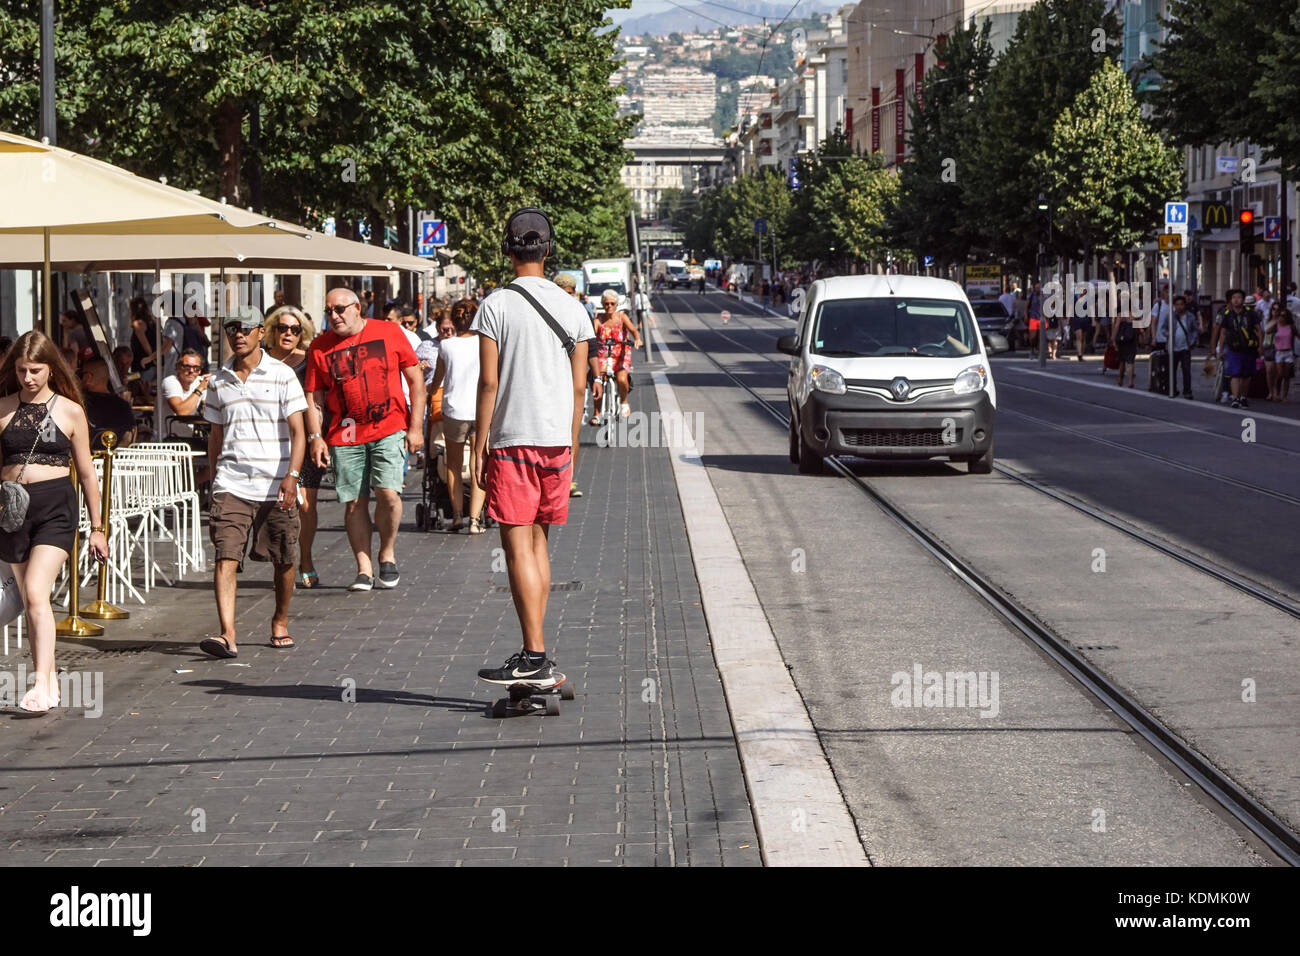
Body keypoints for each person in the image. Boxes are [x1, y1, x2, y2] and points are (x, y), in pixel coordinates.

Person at [471, 207, 593, 688]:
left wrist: (481, 442)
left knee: (518, 545)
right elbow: (580, 389)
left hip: (514, 439)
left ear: (507, 249)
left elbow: (487, 383)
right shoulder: (574, 309)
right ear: (548, 249)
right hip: (557, 441)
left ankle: (535, 655)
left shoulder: (496, 306)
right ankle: (537, 651)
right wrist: (575, 438)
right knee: (539, 544)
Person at [0, 331, 109, 713]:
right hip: (13, 509)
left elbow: (88, 471)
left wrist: (98, 528)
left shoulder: (69, 410)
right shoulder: (3, 408)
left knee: (34, 590)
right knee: (32, 601)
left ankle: (42, 683)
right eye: (20, 370)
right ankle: (47, 677)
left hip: (56, 507)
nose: (27, 377)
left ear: (50, 369)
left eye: (34, 370)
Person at [199, 307, 307, 657]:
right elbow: (216, 435)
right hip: (232, 484)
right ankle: (227, 633)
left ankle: (280, 619)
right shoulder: (218, 380)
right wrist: (215, 479)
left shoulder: (282, 375)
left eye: (245, 329)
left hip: (276, 482)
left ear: (262, 332)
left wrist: (292, 477)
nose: (238, 335)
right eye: (232, 329)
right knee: (225, 555)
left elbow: (298, 431)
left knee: (285, 557)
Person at [305, 288, 424, 592]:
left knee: (388, 494)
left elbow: (416, 382)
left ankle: (387, 552)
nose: (334, 316)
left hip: (389, 426)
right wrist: (316, 436)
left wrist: (415, 428)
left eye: (340, 309)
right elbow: (314, 397)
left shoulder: (389, 332)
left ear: (358, 307)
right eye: (328, 311)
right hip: (345, 433)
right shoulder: (320, 347)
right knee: (354, 501)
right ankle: (364, 567)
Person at [264, 307, 327, 587]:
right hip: (270, 440)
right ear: (272, 330)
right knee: (277, 504)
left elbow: (316, 398)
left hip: (304, 437)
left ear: (302, 333)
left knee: (306, 504)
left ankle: (306, 558)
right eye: (282, 328)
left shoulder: (308, 360)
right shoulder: (261, 360)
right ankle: (283, 559)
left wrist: (317, 436)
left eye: (294, 329)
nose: (288, 333)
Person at [430, 299, 486, 533]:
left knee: (453, 465)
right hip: (480, 409)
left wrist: (430, 394)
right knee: (479, 463)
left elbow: (438, 380)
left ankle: (457, 517)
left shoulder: (446, 346)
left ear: (453, 320)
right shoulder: (485, 343)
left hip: (454, 410)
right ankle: (475, 520)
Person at [554, 274, 599, 498]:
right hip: (553, 382)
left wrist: (597, 377)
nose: (566, 297)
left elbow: (591, 348)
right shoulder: (548, 310)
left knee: (572, 432)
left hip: (573, 384)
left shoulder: (580, 312)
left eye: (570, 293)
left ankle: (568, 478)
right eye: (562, 292)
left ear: (575, 293)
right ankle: (556, 477)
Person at [591, 290, 642, 422]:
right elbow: (591, 334)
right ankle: (596, 413)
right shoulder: (598, 320)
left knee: (621, 378)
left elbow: (634, 330)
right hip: (603, 355)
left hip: (620, 354)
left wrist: (637, 339)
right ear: (602, 304)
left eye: (612, 303)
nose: (609, 306)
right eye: (606, 303)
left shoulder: (621, 317)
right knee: (598, 381)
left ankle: (624, 402)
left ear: (616, 304)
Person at [1208, 289, 1261, 409]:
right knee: (1235, 374)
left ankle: (1243, 397)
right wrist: (1219, 349)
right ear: (1230, 300)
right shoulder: (1227, 314)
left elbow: (1259, 330)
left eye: (1239, 297)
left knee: (1246, 375)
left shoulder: (1251, 313)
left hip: (1249, 347)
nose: (1236, 300)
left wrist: (1260, 346)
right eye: (1234, 298)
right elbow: (1222, 333)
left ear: (1243, 300)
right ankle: (1236, 398)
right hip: (1233, 348)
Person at [79, 358, 137, 448]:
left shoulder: (79, 404)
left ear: (88, 377)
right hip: (118, 459)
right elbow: (131, 435)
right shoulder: (123, 406)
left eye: (81, 375)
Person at [1156, 294, 1198, 399]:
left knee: (1186, 370)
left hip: (1185, 347)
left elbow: (1195, 330)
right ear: (1174, 305)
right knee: (1172, 370)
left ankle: (1187, 391)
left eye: (1181, 304)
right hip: (1173, 347)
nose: (1179, 307)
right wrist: (1166, 333)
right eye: (1177, 304)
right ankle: (1172, 389)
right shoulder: (1170, 316)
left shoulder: (1190, 316)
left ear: (1185, 305)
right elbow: (1163, 328)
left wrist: (1193, 339)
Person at [1273, 308, 1295, 402]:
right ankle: (1277, 393)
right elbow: (1267, 331)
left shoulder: (1291, 327)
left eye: (1284, 316)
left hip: (1288, 352)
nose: (1282, 318)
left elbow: (1297, 335)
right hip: (1279, 352)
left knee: (1287, 375)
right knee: (1280, 374)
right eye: (1280, 316)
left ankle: (1284, 396)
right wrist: (1274, 320)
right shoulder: (1276, 326)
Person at [1262, 301, 1281, 401]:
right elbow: (1266, 330)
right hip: (1268, 346)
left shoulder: (1283, 321)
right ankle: (1270, 392)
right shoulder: (1267, 320)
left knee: (1278, 372)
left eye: (1278, 310)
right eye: (1274, 309)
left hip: (1279, 347)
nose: (1276, 312)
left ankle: (1277, 392)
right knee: (1269, 371)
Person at [1113, 310, 1138, 387]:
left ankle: (1120, 380)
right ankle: (1130, 381)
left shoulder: (1120, 315)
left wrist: (1113, 339)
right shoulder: (1134, 315)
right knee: (1130, 361)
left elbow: (1116, 327)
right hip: (1132, 339)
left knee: (1122, 361)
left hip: (1122, 340)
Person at [1026, 281, 1044, 355]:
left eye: (1039, 288)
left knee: (1041, 336)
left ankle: (1040, 350)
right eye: (1036, 288)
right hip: (1033, 317)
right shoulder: (1031, 296)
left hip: (1041, 318)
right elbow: (1027, 306)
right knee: (1032, 336)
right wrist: (1026, 315)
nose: (1038, 289)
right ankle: (1032, 349)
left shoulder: (1044, 296)